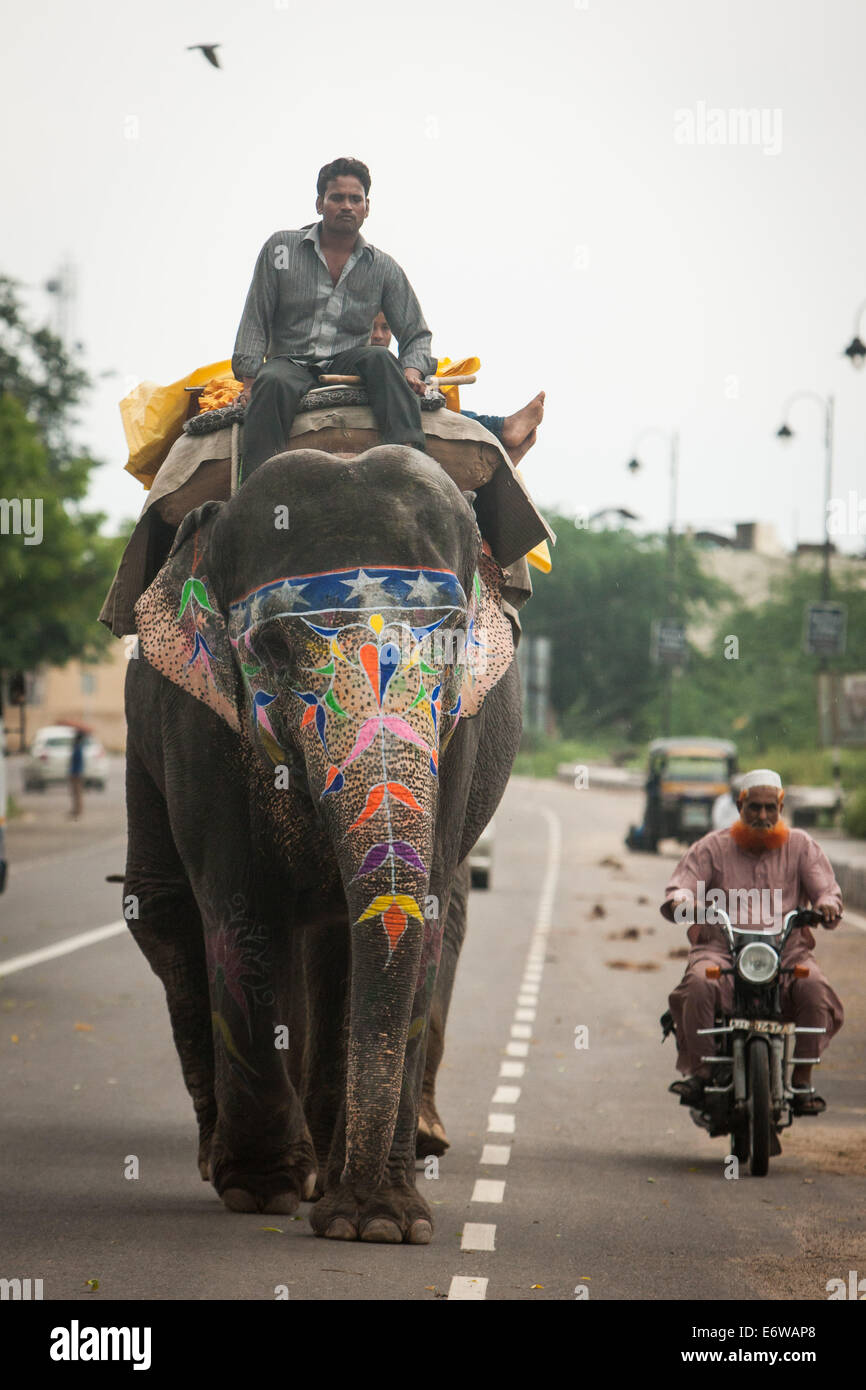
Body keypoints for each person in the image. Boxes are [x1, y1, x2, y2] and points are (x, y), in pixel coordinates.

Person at [232, 157, 436, 480]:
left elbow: (416, 334)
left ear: (367, 207)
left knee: (383, 359)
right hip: (290, 362)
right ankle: (260, 482)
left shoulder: (382, 267)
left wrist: (412, 368)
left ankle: (411, 467)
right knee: (271, 382)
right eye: (336, 198)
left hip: (348, 359)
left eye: (355, 199)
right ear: (319, 204)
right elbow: (256, 316)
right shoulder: (280, 249)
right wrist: (248, 380)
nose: (346, 206)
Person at [661, 768, 844, 1115]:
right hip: (722, 948)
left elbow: (826, 891)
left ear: (781, 806)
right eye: (754, 808)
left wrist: (826, 906)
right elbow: (680, 886)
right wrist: (684, 901)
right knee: (699, 984)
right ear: (739, 805)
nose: (762, 816)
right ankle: (700, 1074)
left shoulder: (801, 846)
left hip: (786, 950)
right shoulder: (712, 847)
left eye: (769, 808)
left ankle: (802, 1079)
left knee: (815, 987)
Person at [369, 311, 545, 466]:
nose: (378, 335)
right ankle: (501, 430)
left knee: (449, 411)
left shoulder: (397, 365)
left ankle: (501, 440)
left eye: (385, 328)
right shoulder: (353, 358)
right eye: (371, 327)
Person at [68, 730, 86, 820]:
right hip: (77, 773)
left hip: (76, 774)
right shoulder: (79, 748)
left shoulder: (77, 748)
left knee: (77, 793)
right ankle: (76, 810)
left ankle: (78, 811)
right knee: (76, 793)